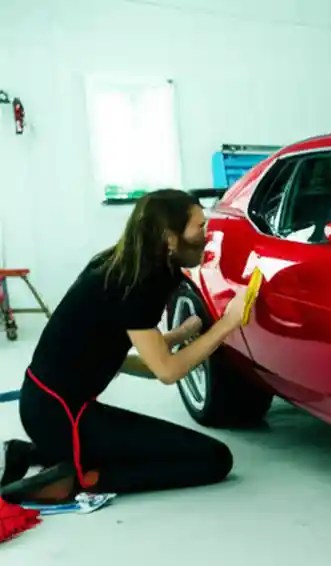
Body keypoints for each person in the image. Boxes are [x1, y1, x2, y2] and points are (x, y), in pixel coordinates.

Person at [0, 189, 249, 504]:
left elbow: (119, 354)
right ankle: (81, 479)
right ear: (169, 238)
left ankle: (30, 454)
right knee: (214, 459)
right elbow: (166, 371)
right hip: (63, 417)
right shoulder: (138, 284)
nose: (207, 234)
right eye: (199, 227)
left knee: (148, 445)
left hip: (44, 407)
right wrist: (229, 323)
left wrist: (175, 337)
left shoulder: (121, 265)